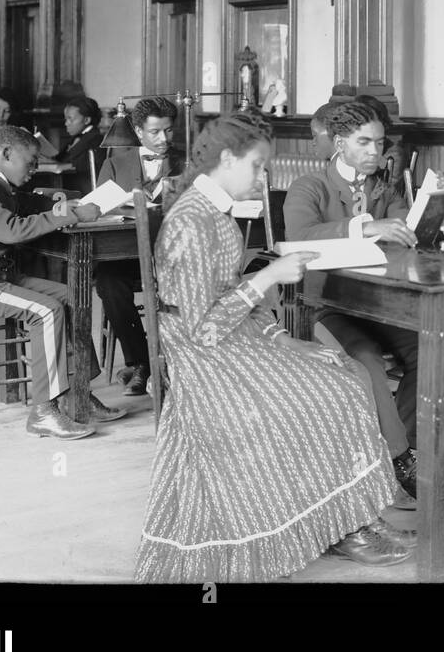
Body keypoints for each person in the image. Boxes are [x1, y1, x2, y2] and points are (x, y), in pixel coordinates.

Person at [135, 114, 415, 580]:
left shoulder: (213, 211)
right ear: (227, 160)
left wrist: (286, 340)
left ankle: (352, 521)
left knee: (344, 375)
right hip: (207, 361)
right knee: (332, 394)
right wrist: (267, 276)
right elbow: (199, 330)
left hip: (235, 342)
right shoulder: (190, 221)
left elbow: (226, 296)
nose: (264, 178)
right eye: (258, 166)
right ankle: (347, 527)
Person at [282, 101, 444, 504]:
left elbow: (405, 233)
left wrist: (429, 217)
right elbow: (300, 234)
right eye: (364, 142)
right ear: (339, 143)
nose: (376, 151)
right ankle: (400, 458)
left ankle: (398, 446)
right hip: (324, 304)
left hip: (380, 303)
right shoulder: (310, 186)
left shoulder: (385, 188)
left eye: (379, 142)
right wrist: (366, 226)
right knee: (366, 358)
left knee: (430, 351)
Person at [0, 126, 124, 440]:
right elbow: (11, 230)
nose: (35, 167)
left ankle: (75, 394)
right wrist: (72, 216)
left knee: (72, 295)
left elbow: (29, 205)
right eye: (31, 161)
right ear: (6, 154)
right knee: (48, 311)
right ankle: (43, 412)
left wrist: (70, 205)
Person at [94, 96, 185, 396]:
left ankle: (179, 363)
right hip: (128, 254)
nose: (164, 139)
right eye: (155, 132)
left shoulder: (189, 163)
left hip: (174, 256)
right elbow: (98, 211)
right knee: (108, 281)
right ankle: (142, 361)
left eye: (169, 131)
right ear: (137, 131)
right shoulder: (114, 164)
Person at [59, 96, 105, 194]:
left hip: (84, 190)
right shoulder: (75, 138)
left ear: (86, 120)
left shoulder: (96, 140)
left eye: (70, 119)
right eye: (66, 119)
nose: (66, 123)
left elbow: (91, 168)